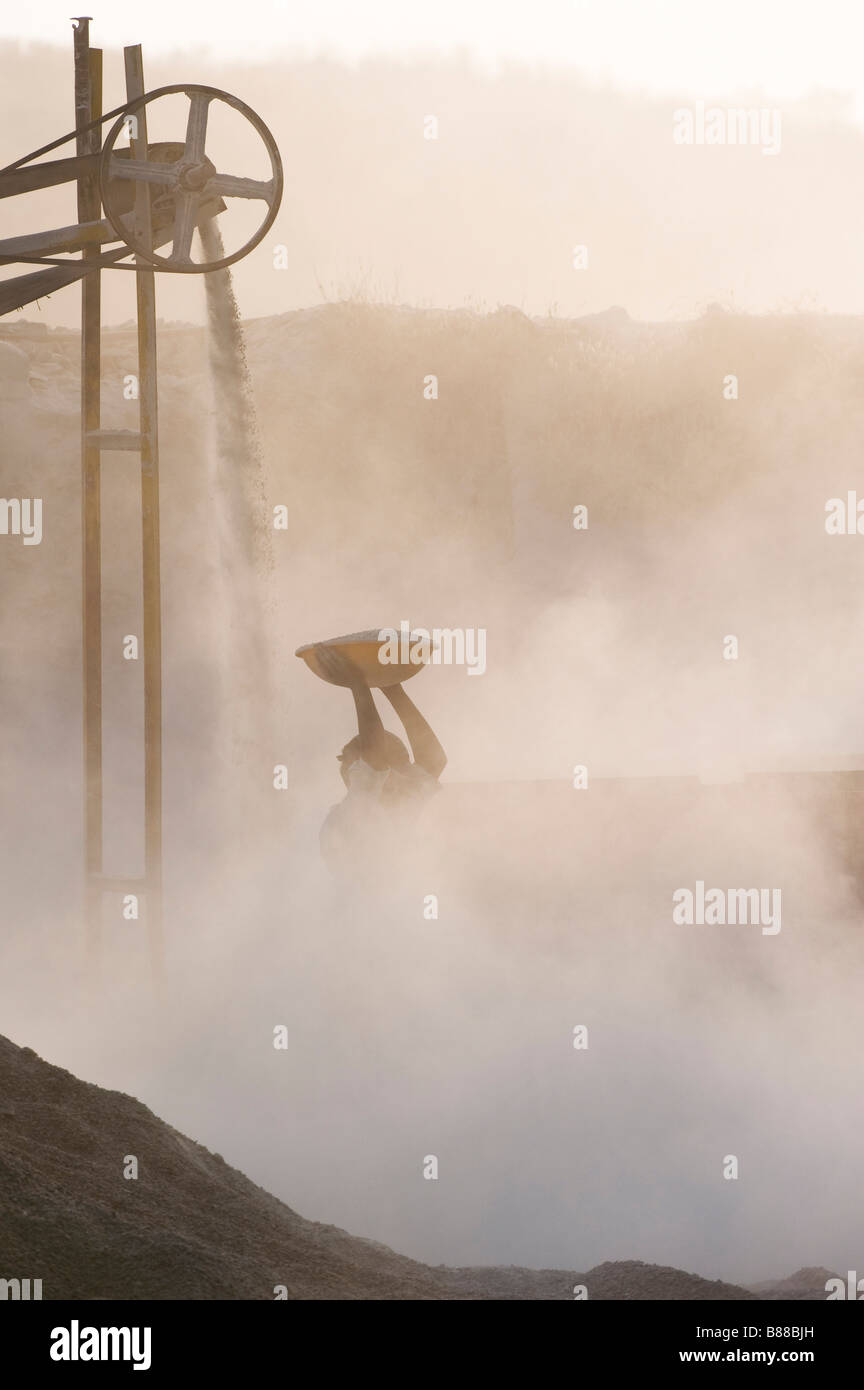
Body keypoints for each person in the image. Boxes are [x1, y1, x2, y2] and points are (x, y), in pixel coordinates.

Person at [314, 644, 446, 875]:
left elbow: (433, 761)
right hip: (361, 907)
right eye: (398, 769)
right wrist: (360, 684)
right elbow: (375, 761)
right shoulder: (353, 813)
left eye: (405, 769)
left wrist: (392, 688)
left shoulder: (398, 805)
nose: (405, 777)